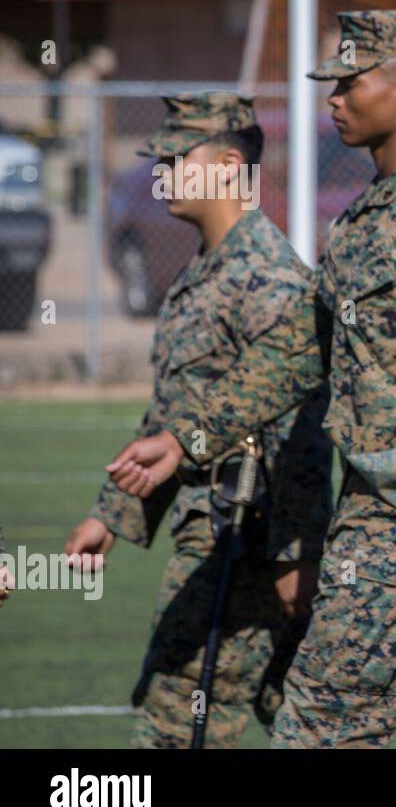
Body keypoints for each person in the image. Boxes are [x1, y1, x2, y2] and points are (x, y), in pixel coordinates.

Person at [101, 11, 396, 747]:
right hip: (385, 510)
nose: (334, 98)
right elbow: (297, 351)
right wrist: (186, 439)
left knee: (317, 729)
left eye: (351, 83)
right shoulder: (362, 222)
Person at [64, 92, 333, 747]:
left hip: (247, 536)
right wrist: (113, 512)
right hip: (211, 535)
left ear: (225, 166)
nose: (162, 174)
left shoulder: (267, 276)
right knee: (291, 720)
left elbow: (302, 427)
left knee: (179, 717)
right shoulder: (207, 272)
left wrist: (296, 552)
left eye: (175, 160)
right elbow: (174, 410)